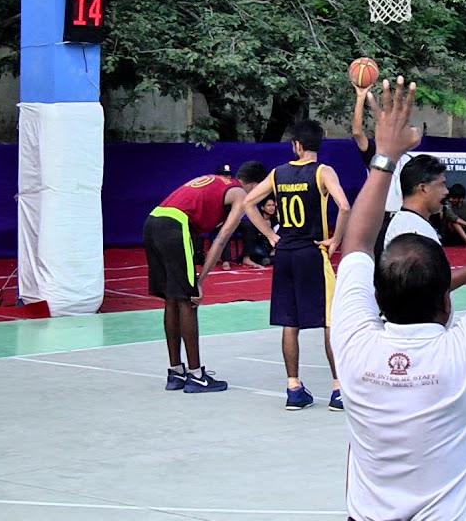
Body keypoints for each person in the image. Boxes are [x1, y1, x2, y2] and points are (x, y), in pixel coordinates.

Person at [331, 76, 466, 520]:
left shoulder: (353, 348)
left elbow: (355, 245)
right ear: (446, 302)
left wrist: (384, 154)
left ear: (377, 296)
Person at [242, 119, 351, 411]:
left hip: (286, 252)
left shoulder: (278, 173)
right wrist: (336, 239)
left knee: (290, 322)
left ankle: (293, 388)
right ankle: (339, 389)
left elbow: (248, 203)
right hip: (312, 251)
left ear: (296, 145)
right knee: (330, 320)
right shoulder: (323, 171)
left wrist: (271, 236)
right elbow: (344, 206)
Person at [144, 160, 269, 393]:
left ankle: (176, 372)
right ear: (255, 185)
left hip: (154, 221)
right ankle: (197, 376)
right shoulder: (241, 194)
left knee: (172, 298)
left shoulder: (217, 181)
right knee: (189, 300)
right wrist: (199, 282)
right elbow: (221, 240)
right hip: (176, 225)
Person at [384, 154, 466, 288]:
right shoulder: (411, 230)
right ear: (423, 188)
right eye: (442, 184)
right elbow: (426, 286)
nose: (446, 191)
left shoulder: (413, 224)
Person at [350, 79, 411, 211]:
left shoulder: (409, 159)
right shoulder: (376, 152)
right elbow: (357, 132)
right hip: (380, 214)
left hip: (402, 214)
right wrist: (360, 97)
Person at [239, 197, 277, 268]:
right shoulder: (256, 219)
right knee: (259, 251)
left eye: (273, 205)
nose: (272, 208)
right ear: (262, 207)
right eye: (268, 205)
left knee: (279, 255)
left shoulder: (275, 221)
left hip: (269, 247)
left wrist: (274, 249)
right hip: (257, 246)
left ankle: (265, 259)